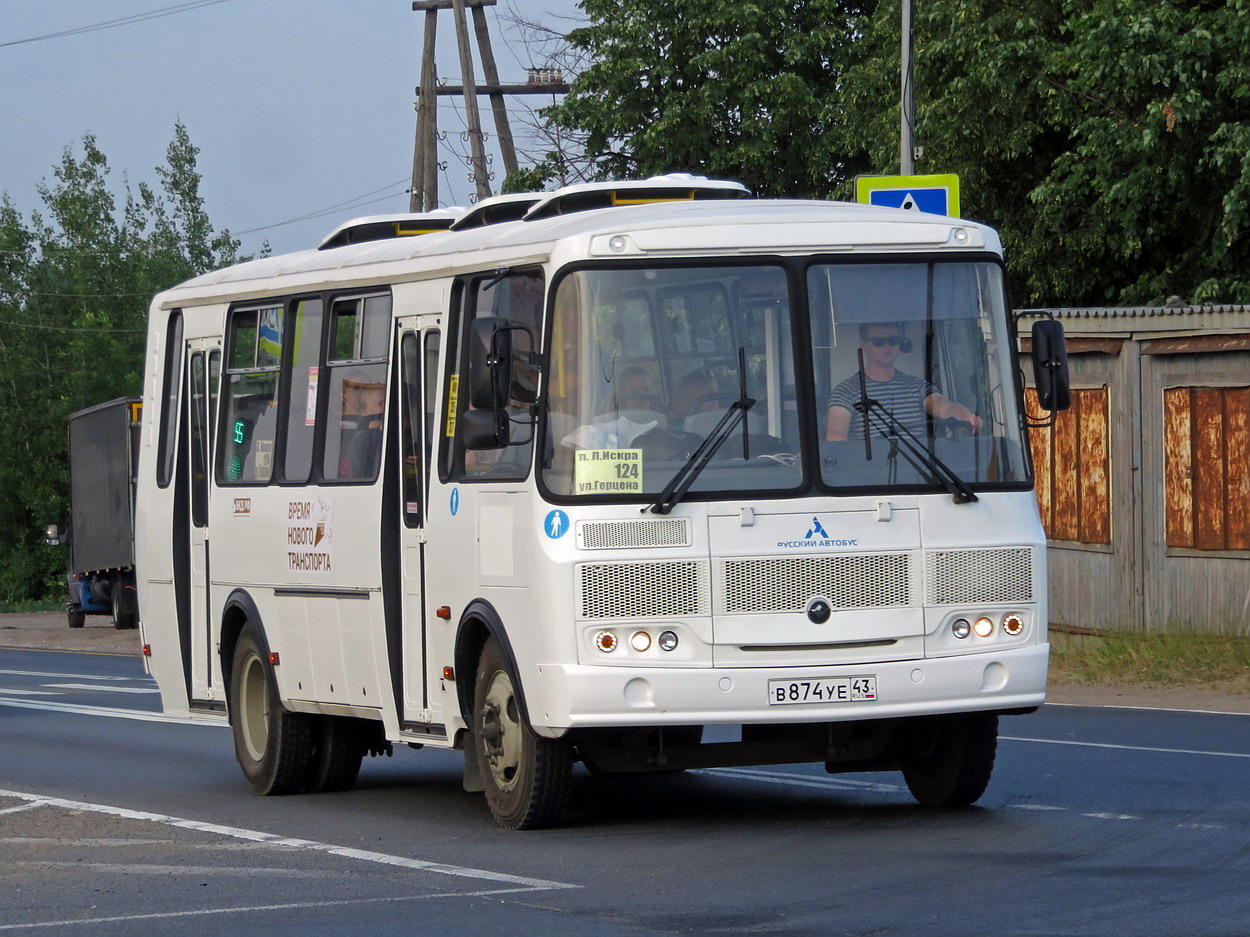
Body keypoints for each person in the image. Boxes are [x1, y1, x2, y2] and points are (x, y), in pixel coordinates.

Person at [825, 322, 982, 441]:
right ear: (864, 345)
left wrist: (967, 417)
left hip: (920, 472)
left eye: (893, 340)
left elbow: (944, 407)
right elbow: (836, 434)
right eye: (879, 342)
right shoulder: (846, 391)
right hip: (870, 475)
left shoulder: (916, 386)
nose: (887, 346)